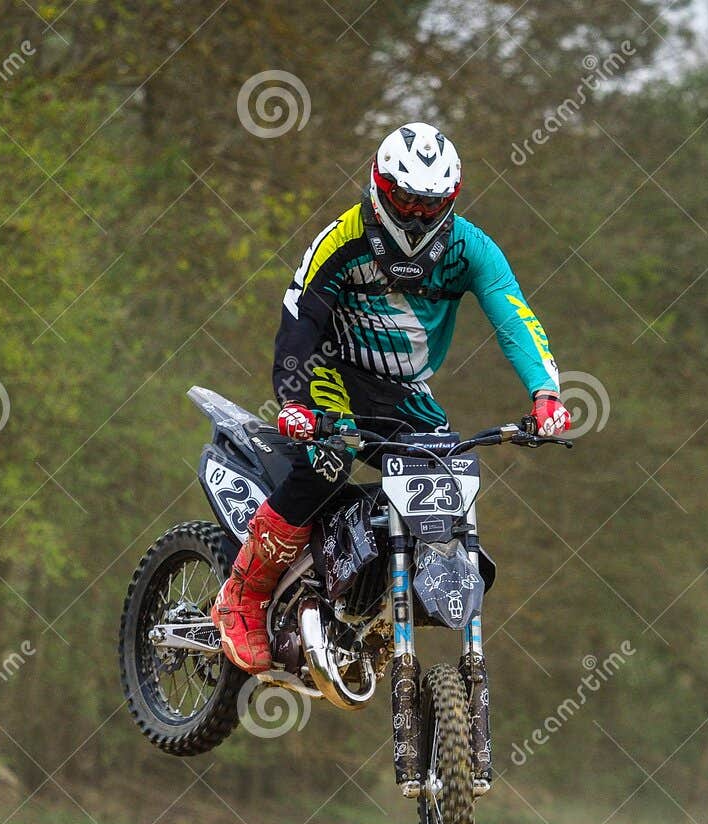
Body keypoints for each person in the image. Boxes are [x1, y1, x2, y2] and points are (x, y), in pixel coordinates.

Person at [212, 122, 571, 673]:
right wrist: (293, 401)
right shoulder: (343, 239)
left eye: (429, 206)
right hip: (328, 368)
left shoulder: (471, 249)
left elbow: (514, 315)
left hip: (402, 389)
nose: (414, 215)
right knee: (328, 460)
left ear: (449, 202)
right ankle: (245, 592)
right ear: (379, 186)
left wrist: (546, 392)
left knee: (443, 475)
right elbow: (301, 321)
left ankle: (372, 602)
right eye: (403, 199)